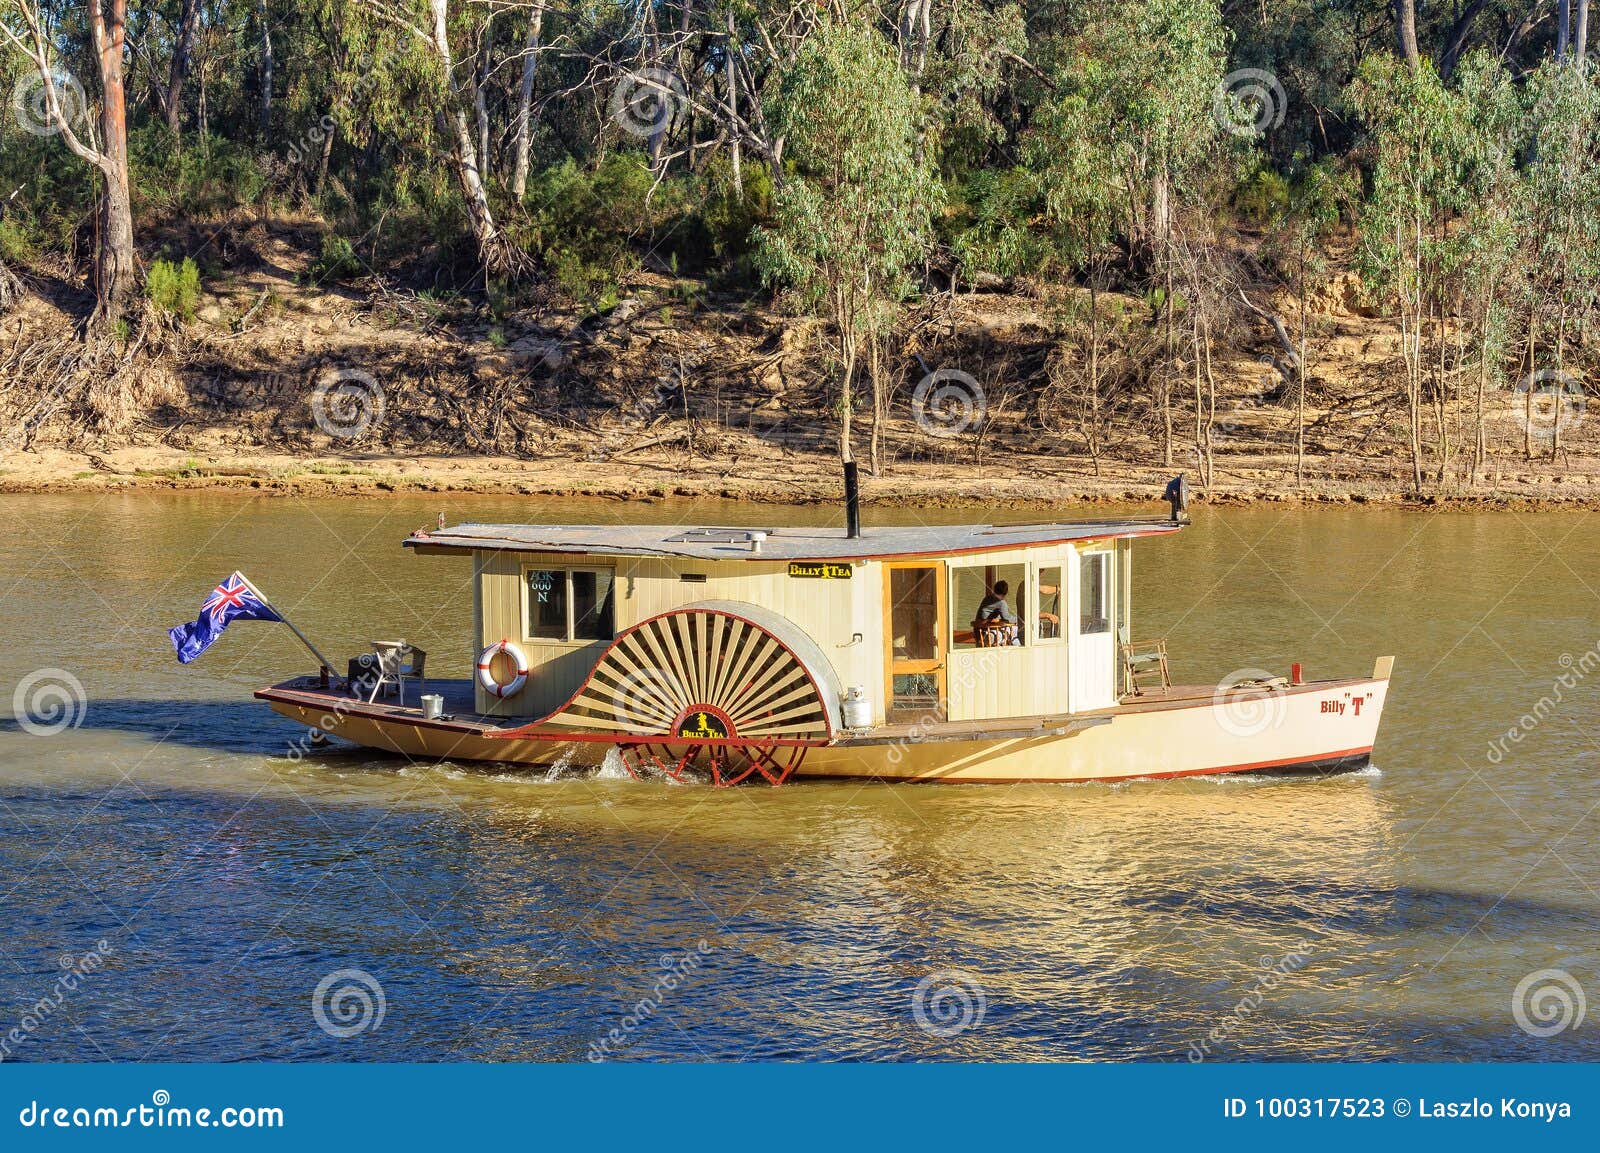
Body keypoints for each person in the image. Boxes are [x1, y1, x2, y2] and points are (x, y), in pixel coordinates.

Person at [976, 580, 1021, 645]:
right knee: (1016, 629)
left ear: (994, 589)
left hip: (979, 630)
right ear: (1006, 592)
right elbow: (1007, 618)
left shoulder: (987, 598)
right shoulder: (1001, 602)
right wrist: (1020, 619)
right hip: (988, 630)